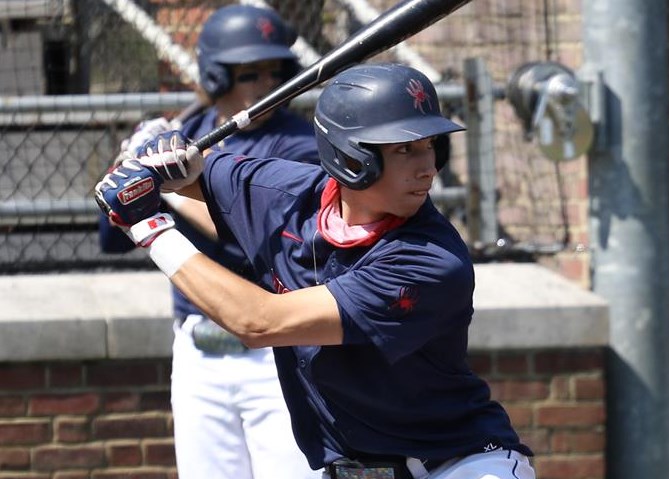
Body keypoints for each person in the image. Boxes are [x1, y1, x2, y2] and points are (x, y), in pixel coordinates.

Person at [95, 62, 536, 479]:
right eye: (404, 149)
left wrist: (151, 227)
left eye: (429, 146)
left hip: (459, 464)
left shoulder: (429, 259)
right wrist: (159, 160)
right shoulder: (285, 193)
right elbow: (197, 180)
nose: (427, 167)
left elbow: (259, 322)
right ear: (351, 155)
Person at [98, 5, 319, 478]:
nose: (266, 86)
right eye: (249, 74)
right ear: (217, 78)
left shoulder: (299, 144)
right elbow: (112, 238)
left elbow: (256, 238)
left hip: (275, 353)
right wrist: (128, 169)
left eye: (275, 72)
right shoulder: (188, 135)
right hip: (198, 353)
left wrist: (164, 188)